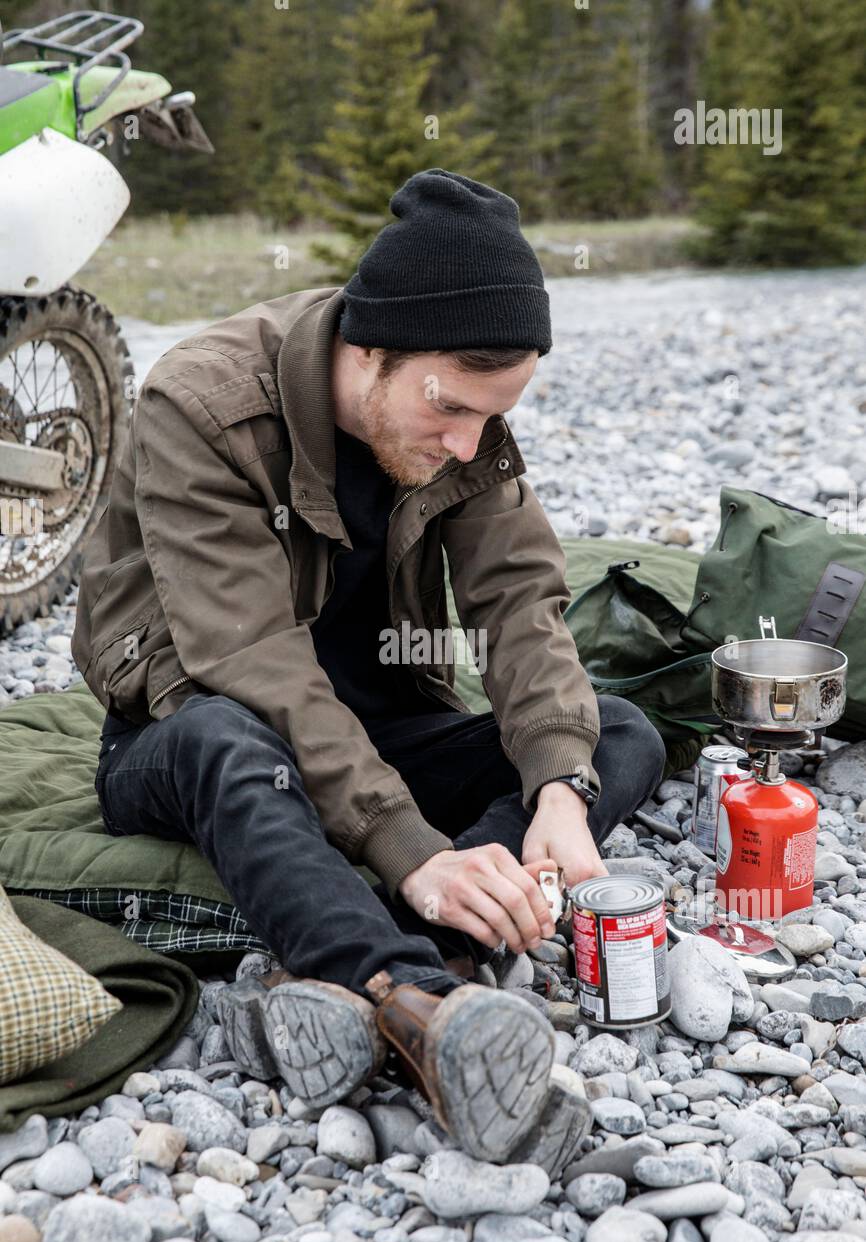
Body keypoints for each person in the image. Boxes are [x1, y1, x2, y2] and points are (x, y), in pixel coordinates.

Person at [71, 169, 666, 1163]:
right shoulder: (200, 401)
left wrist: (560, 786)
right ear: (367, 348)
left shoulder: (462, 422)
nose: (467, 442)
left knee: (616, 732)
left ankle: (438, 944)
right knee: (230, 738)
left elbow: (518, 598)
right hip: (191, 727)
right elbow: (250, 659)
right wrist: (410, 849)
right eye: (449, 409)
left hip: (372, 723)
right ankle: (413, 1001)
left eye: (489, 418)